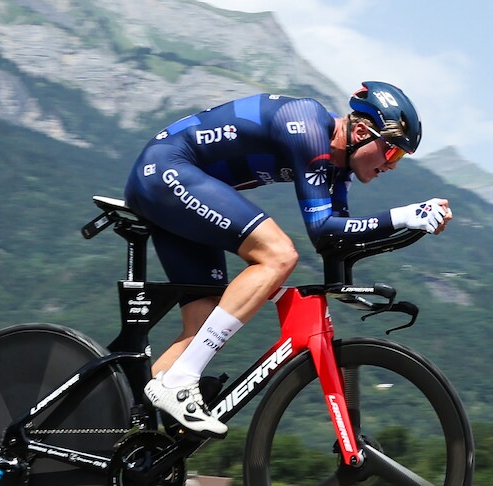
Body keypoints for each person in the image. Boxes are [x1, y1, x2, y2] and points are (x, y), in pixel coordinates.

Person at [123, 81, 452, 436]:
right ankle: (180, 382)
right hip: (166, 169)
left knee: (203, 325)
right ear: (360, 131)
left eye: (400, 158)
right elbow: (322, 229)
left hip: (178, 185)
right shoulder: (308, 126)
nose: (393, 166)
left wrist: (350, 284)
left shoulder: (338, 169)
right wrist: (402, 216)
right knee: (278, 255)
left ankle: (129, 434)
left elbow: (335, 240)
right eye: (392, 153)